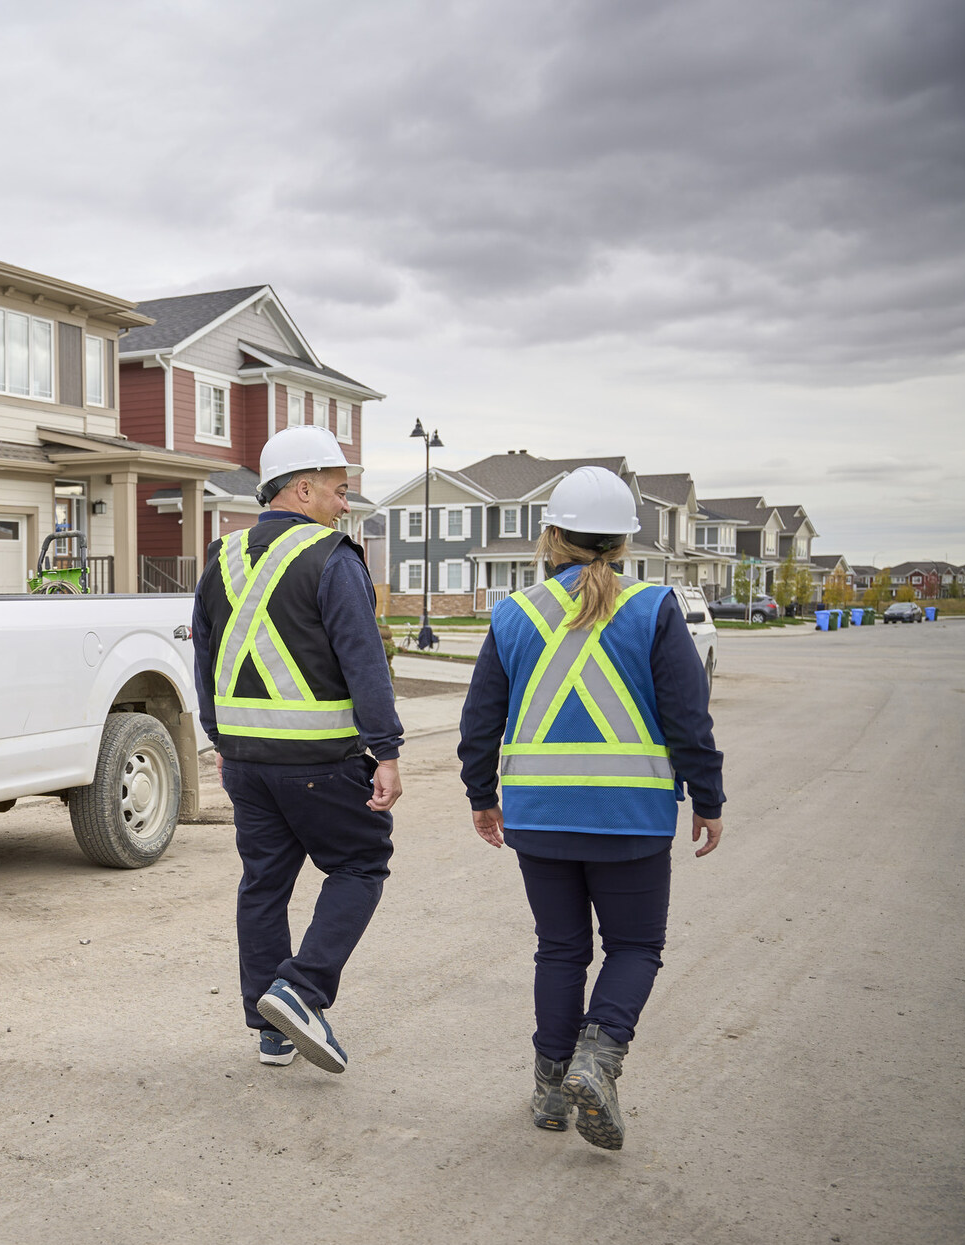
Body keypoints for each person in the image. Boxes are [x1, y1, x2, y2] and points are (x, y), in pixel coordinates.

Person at [456, 466, 725, 1151]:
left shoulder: (515, 613)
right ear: (626, 544)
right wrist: (708, 796)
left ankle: (551, 1086)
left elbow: (480, 719)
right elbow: (688, 717)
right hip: (629, 818)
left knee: (561, 948)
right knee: (634, 946)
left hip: (539, 815)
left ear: (550, 537)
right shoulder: (655, 608)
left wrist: (482, 797)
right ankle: (597, 1060)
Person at [191, 425, 406, 1074]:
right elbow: (363, 661)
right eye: (340, 491)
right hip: (321, 761)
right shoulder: (332, 557)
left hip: (247, 764)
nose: (346, 504)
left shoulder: (221, 557)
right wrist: (387, 749)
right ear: (303, 488)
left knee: (264, 884)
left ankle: (270, 1029)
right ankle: (301, 989)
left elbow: (204, 656)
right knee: (361, 865)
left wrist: (222, 740)